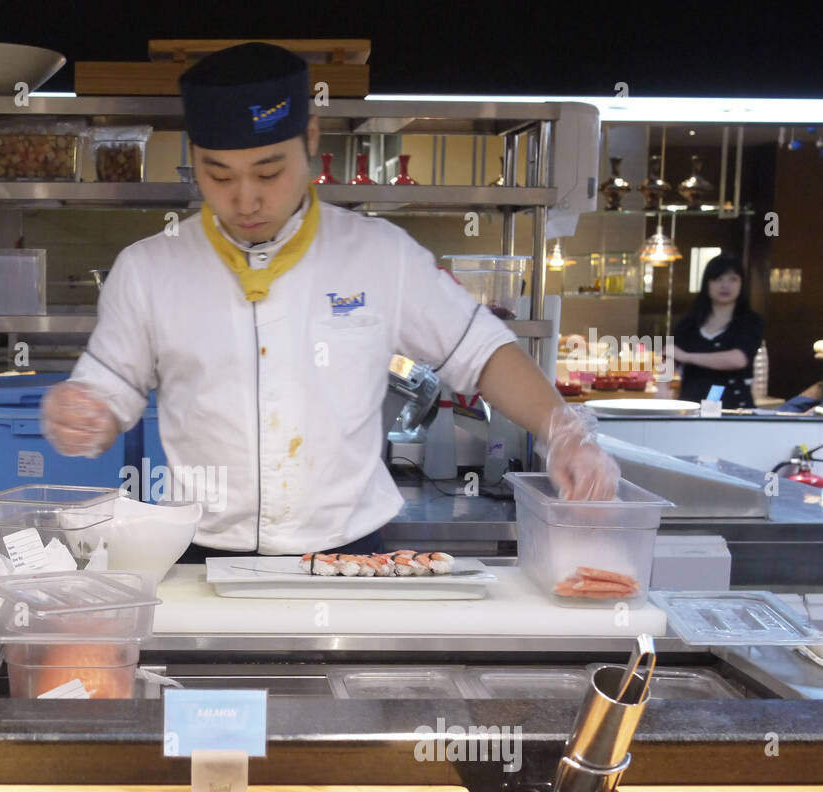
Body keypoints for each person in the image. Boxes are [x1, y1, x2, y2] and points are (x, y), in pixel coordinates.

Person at [42, 43, 619, 557]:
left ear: (311, 141)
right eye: (218, 175)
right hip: (201, 550)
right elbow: (110, 383)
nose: (245, 200)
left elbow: (482, 352)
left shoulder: (379, 255)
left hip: (351, 552)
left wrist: (563, 429)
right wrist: (83, 410)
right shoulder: (149, 267)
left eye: (269, 172)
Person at [671, 254, 763, 410]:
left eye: (733, 279)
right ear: (707, 284)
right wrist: (662, 385)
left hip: (734, 408)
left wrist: (687, 357)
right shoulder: (689, 322)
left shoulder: (751, 321)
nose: (725, 285)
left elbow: (738, 359)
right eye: (718, 279)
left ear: (742, 285)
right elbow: (670, 354)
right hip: (692, 405)